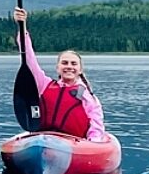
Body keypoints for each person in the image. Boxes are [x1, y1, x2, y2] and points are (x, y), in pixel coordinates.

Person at [14, 7, 106, 141]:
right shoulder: (45, 84)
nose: (69, 67)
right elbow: (29, 59)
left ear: (80, 70)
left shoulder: (86, 95)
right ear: (57, 68)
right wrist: (22, 28)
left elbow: (96, 123)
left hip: (74, 143)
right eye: (65, 63)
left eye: (73, 64)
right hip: (43, 138)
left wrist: (94, 143)